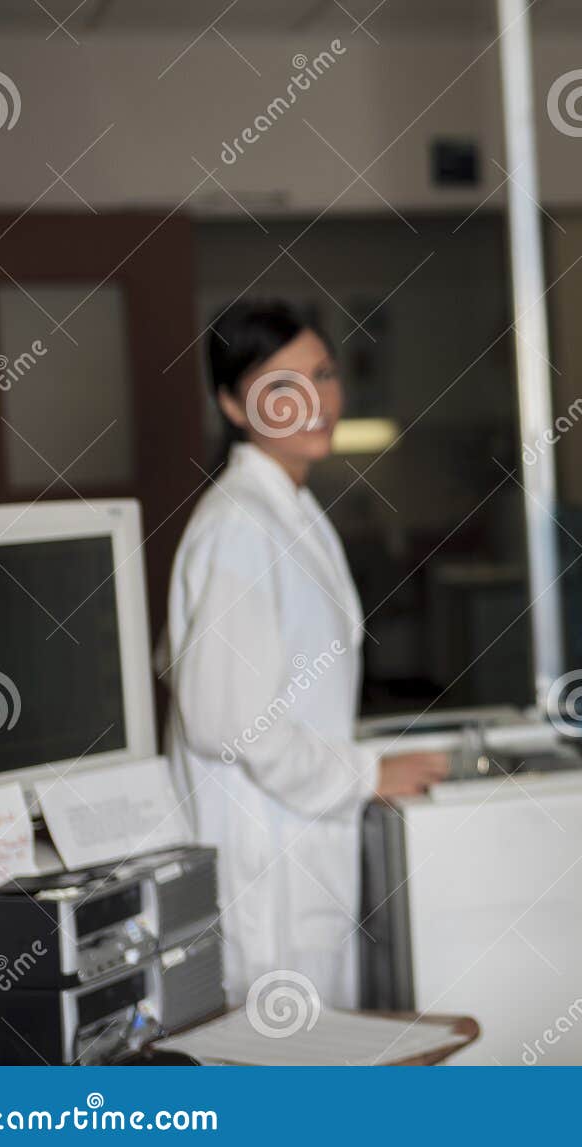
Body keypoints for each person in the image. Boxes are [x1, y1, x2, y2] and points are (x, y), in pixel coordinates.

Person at [161, 300, 448, 1007]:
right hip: (265, 871)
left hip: (295, 847)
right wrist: (369, 770)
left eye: (322, 374)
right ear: (233, 404)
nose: (314, 401)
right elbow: (229, 722)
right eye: (280, 386)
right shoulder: (240, 528)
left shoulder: (287, 509)